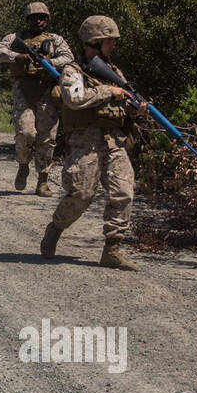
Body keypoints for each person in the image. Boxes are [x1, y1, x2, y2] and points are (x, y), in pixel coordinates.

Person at [39, 15, 147, 270]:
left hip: (114, 142)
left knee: (123, 192)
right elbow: (74, 99)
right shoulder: (73, 71)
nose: (114, 46)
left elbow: (123, 106)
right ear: (95, 42)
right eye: (110, 41)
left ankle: (112, 249)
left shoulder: (114, 72)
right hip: (85, 143)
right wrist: (109, 92)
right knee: (82, 194)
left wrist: (137, 109)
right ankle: (56, 227)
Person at [0, 2, 73, 196]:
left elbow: (69, 58)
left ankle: (42, 181)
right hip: (23, 90)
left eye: (42, 17)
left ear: (47, 20)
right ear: (27, 19)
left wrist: (48, 62)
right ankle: (23, 164)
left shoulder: (55, 40)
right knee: (25, 132)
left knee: (47, 138)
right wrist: (16, 56)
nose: (38, 20)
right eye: (34, 17)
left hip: (47, 91)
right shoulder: (15, 38)